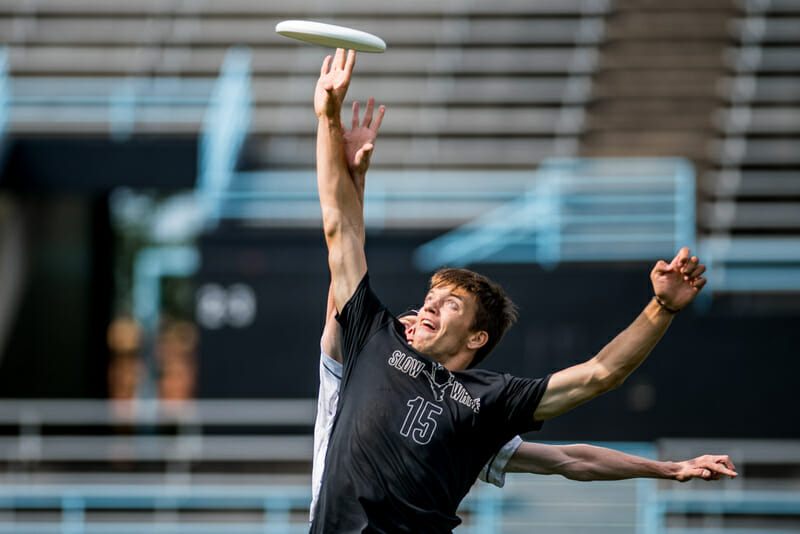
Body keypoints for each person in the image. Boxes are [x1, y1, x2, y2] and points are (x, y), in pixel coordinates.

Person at [313, 48, 712, 532]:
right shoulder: (373, 340)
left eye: (450, 302)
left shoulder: (485, 404)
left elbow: (592, 395)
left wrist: (661, 309)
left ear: (476, 337)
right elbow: (340, 230)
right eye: (429, 297)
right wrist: (327, 119)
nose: (427, 306)